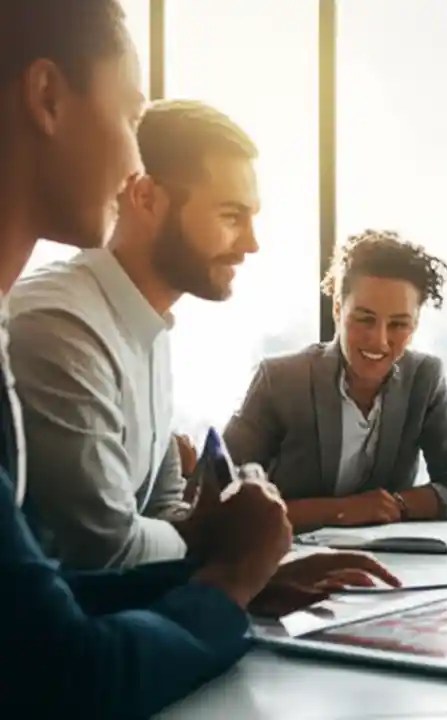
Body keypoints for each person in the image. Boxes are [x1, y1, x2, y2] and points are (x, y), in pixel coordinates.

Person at [0, 4, 395, 715]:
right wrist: (231, 569)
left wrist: (241, 567)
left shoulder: (147, 330)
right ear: (48, 97)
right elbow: (74, 636)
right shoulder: (54, 324)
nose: (132, 162)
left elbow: (130, 542)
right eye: (130, 118)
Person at [9, 98, 269, 569]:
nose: (251, 244)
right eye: (231, 216)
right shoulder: (62, 327)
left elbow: (161, 507)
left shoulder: (149, 326)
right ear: (146, 198)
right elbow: (105, 546)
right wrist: (219, 541)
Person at [224, 229, 447, 532]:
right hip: (288, 552)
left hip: (391, 556)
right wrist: (341, 511)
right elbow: (223, 495)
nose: (380, 340)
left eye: (398, 324)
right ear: (337, 308)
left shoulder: (424, 378)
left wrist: (396, 505)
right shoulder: (280, 380)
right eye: (364, 319)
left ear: (415, 323)